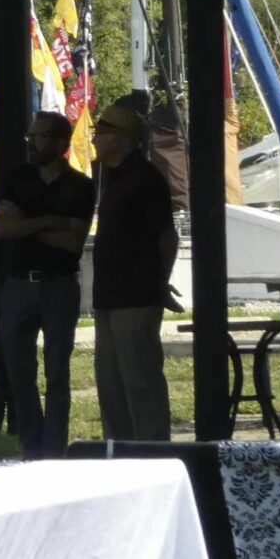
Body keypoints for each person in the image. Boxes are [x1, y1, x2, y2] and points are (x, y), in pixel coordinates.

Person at [0, 110, 94, 458]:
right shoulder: (15, 178)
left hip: (59, 285)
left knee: (57, 372)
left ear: (61, 143)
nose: (31, 143)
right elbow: (3, 230)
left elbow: (73, 243)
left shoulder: (81, 185)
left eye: (39, 137)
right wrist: (50, 221)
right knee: (19, 373)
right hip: (18, 284)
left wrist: (27, 223)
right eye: (30, 136)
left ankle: (55, 449)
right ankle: (32, 447)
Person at [91, 103, 179, 441]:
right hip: (109, 297)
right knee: (110, 384)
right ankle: (120, 452)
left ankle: (154, 449)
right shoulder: (111, 176)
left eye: (100, 133)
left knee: (141, 382)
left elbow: (166, 236)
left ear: (119, 139)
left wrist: (160, 282)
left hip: (136, 296)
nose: (96, 139)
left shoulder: (145, 179)